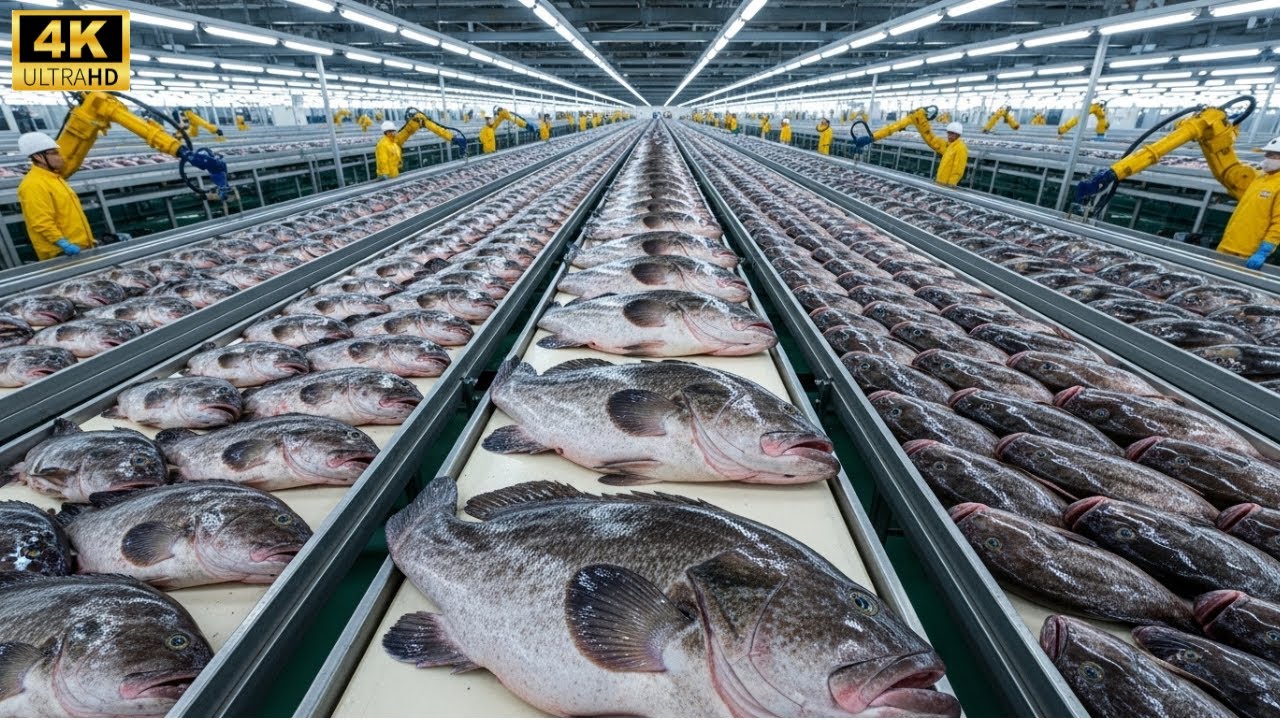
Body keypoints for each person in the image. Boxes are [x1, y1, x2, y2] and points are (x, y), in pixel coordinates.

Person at [16, 132, 95, 260]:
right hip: (61, 253)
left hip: (79, 246)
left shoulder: (55, 179)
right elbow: (41, 222)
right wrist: (63, 244)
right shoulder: (32, 185)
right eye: (54, 153)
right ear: (38, 157)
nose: (60, 157)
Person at [1218, 136, 1280, 269]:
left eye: (1272, 155)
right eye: (1267, 154)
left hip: (1248, 252)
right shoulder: (1260, 179)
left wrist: (1264, 250)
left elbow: (1278, 223)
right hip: (1228, 244)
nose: (1267, 158)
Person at [934, 122, 969, 187]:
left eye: (952, 134)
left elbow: (958, 168)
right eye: (948, 133)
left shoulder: (961, 148)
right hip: (940, 181)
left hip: (948, 184)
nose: (949, 136)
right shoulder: (950, 146)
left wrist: (952, 183)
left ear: (958, 135)